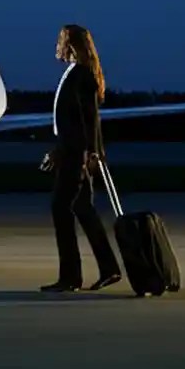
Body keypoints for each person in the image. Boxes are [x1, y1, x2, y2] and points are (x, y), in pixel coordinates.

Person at [39, 24, 122, 292]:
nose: (57, 45)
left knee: (60, 208)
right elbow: (76, 121)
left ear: (70, 44)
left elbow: (90, 120)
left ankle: (71, 276)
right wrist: (59, 149)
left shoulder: (81, 75)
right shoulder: (77, 73)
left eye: (60, 40)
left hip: (77, 155)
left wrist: (91, 153)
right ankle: (109, 268)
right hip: (74, 152)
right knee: (83, 209)